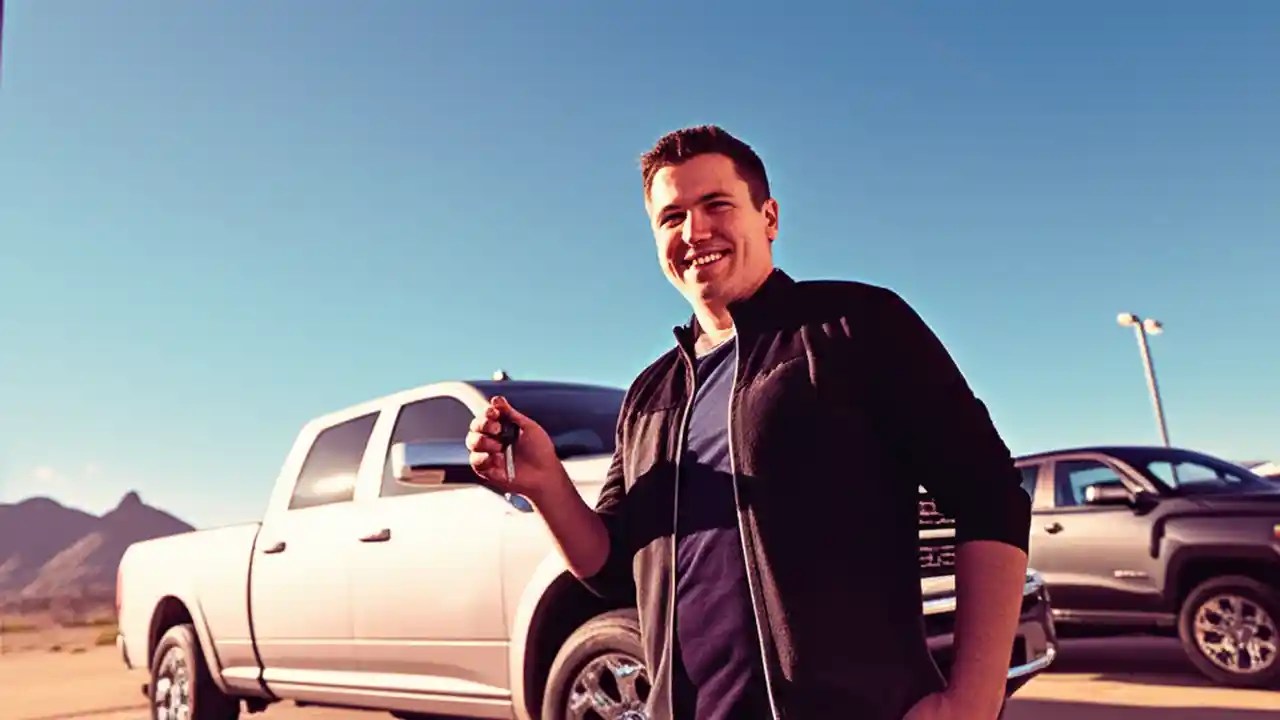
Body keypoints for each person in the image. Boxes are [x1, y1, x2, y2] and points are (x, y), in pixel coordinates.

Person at [466, 125, 1033, 720]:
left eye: (717, 204)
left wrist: (971, 700)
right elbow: (612, 571)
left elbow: (989, 495)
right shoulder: (649, 395)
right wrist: (545, 484)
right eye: (672, 216)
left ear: (769, 217)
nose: (694, 231)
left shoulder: (856, 326)